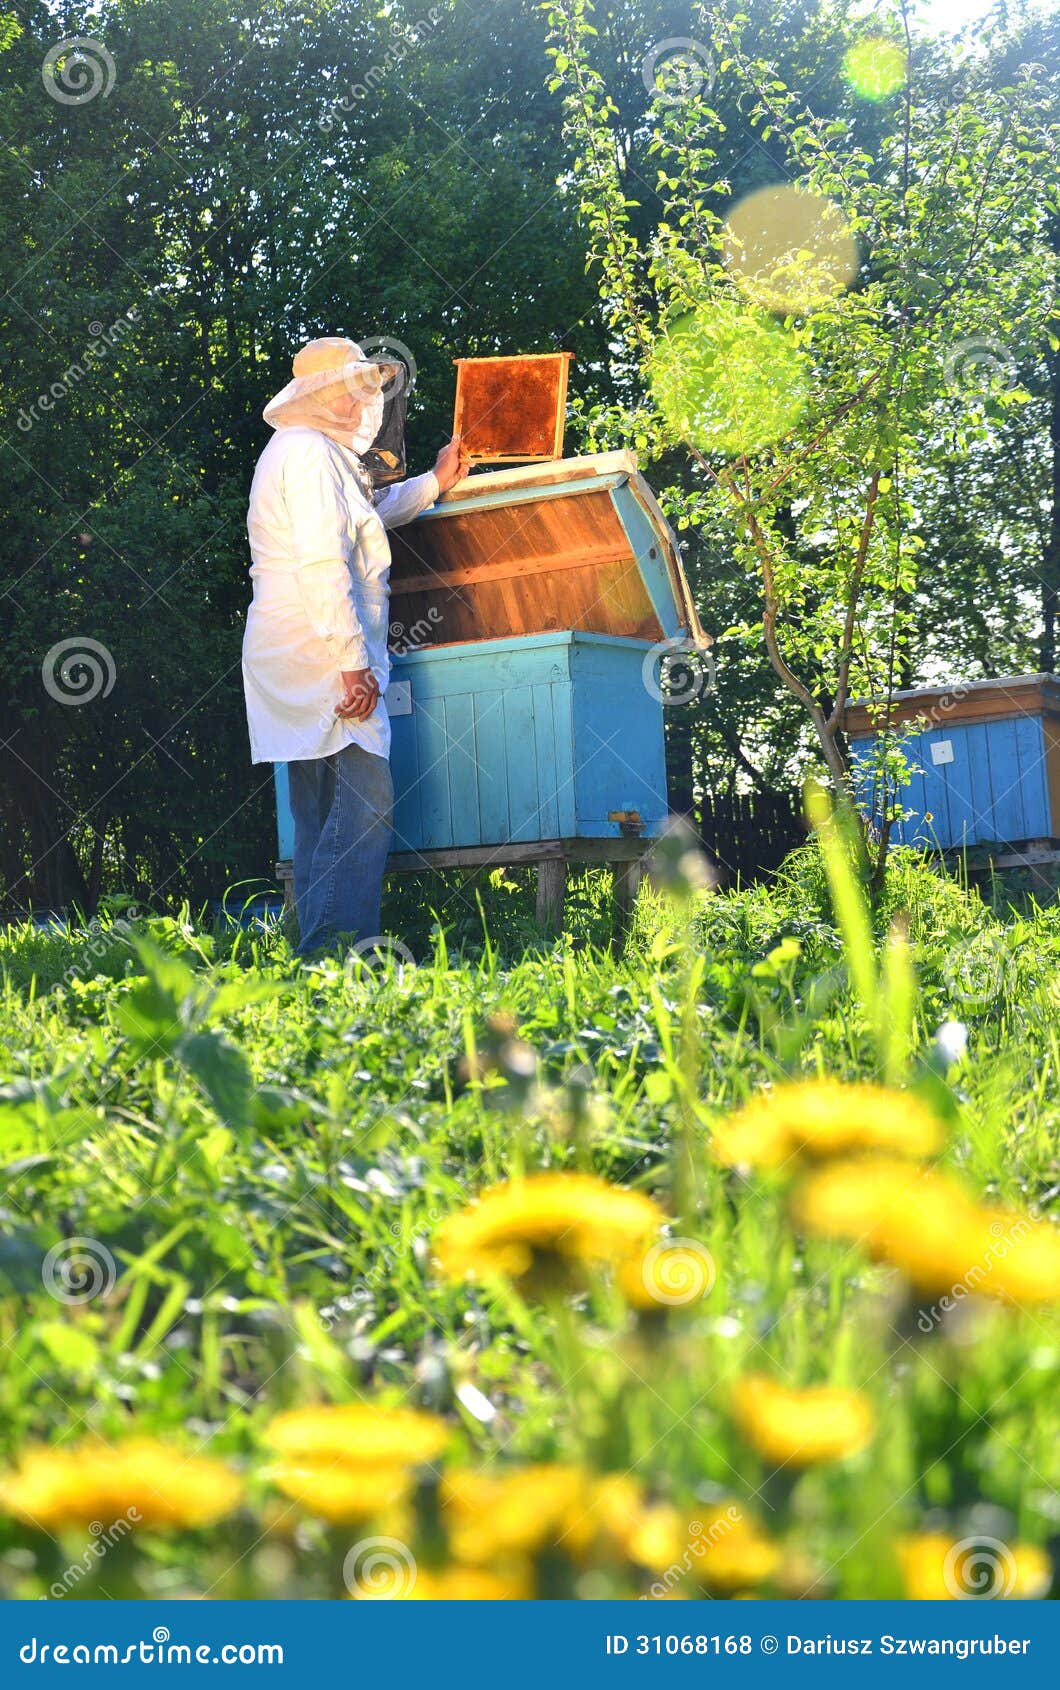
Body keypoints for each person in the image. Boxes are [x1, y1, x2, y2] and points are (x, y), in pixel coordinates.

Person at [242, 336, 470, 956]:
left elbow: (372, 511)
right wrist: (350, 665)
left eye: (365, 388)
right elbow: (322, 562)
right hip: (319, 646)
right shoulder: (308, 455)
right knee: (365, 804)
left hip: (303, 646)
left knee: (320, 812)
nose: (361, 399)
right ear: (320, 394)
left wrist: (434, 481)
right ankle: (339, 952)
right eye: (350, 387)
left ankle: (317, 956)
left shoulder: (321, 455)